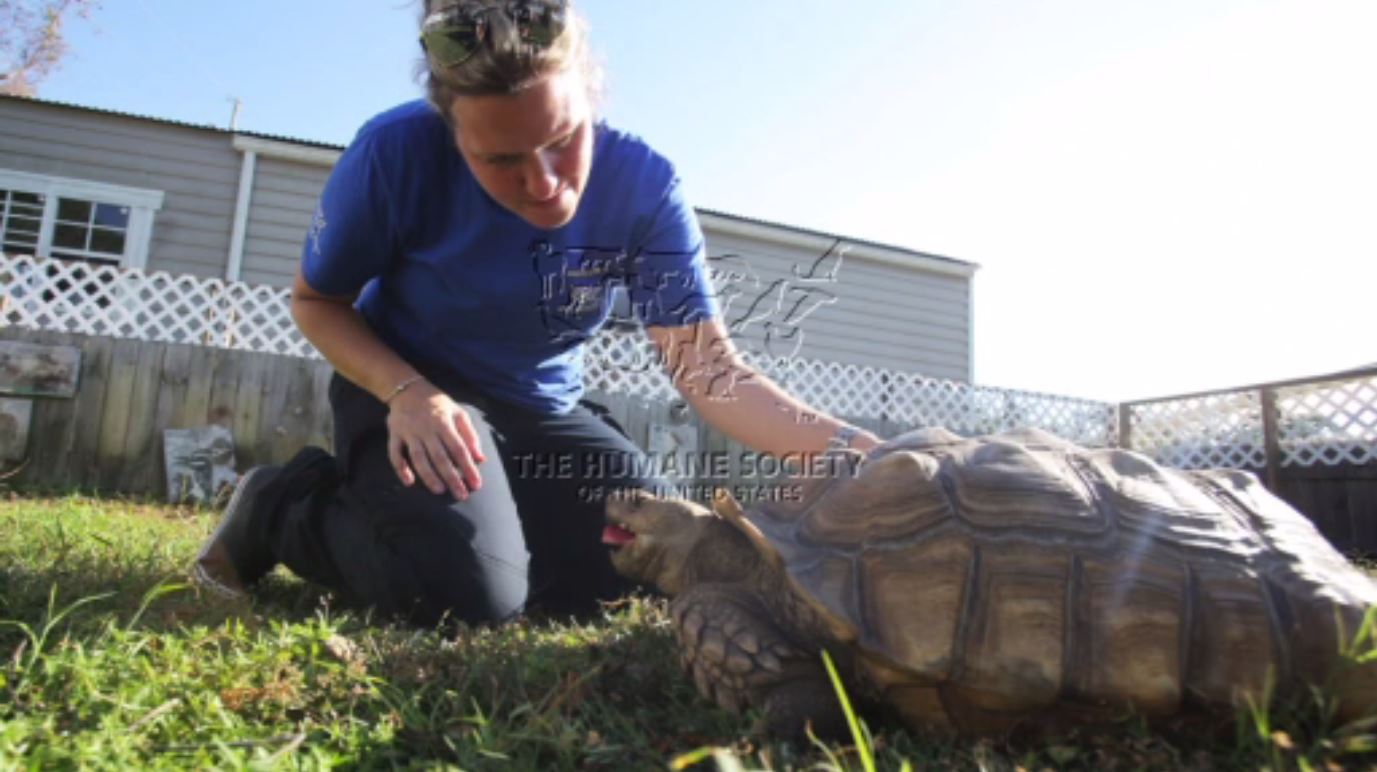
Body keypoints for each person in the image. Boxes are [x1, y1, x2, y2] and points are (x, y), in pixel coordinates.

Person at [193, 0, 881, 626]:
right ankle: (280, 507)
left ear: (588, 95)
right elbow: (318, 302)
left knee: (654, 565)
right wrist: (408, 394)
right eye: (501, 160)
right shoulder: (393, 155)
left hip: (542, 407)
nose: (547, 184)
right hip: (411, 391)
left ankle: (498, 541)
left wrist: (874, 458)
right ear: (451, 133)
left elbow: (707, 370)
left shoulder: (643, 187)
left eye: (563, 138)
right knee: (456, 598)